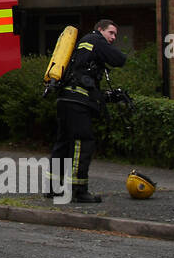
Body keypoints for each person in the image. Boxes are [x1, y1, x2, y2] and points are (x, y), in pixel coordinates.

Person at [50, 18, 126, 203]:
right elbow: (119, 59)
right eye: (111, 33)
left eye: (115, 34)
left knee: (63, 142)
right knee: (83, 143)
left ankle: (53, 188)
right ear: (100, 30)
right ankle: (78, 190)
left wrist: (107, 96)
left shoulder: (83, 46)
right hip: (77, 102)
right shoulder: (96, 41)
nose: (113, 37)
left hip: (65, 99)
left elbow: (86, 81)